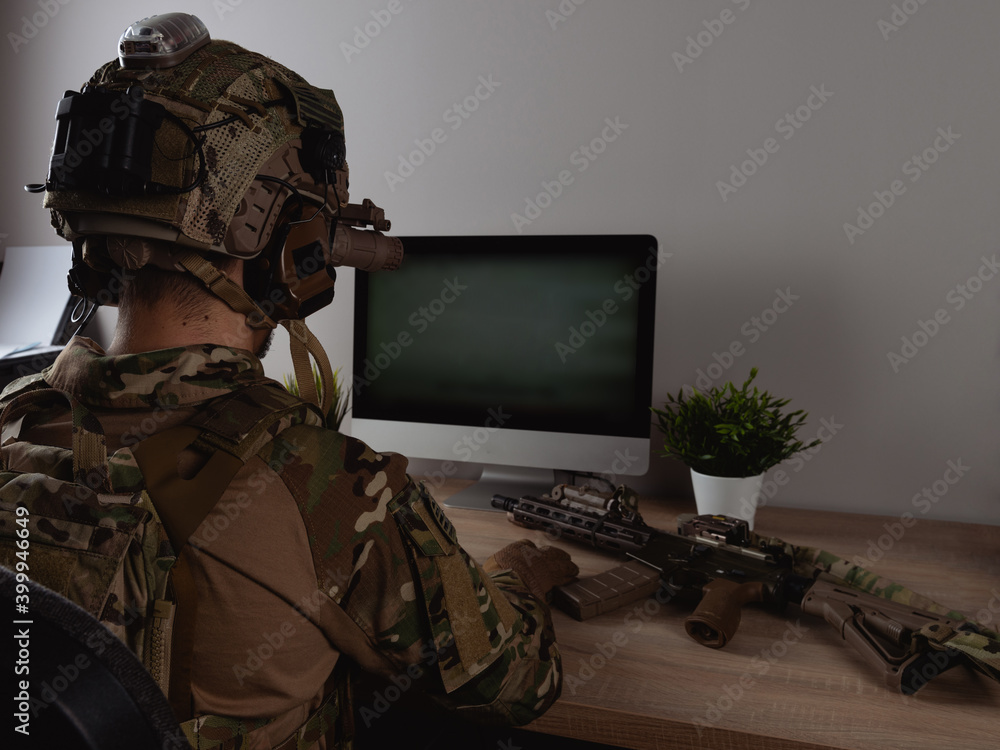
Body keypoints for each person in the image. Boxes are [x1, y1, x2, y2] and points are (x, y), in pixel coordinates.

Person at [2, 12, 577, 749]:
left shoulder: (14, 419)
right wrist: (521, 573)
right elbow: (516, 683)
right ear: (282, 242)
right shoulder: (329, 485)